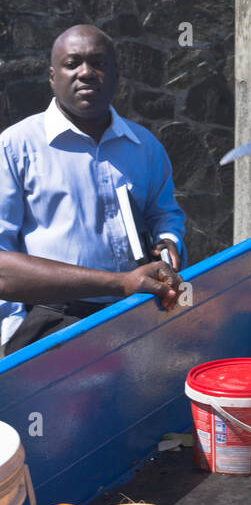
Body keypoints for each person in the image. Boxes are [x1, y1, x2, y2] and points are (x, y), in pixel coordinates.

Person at [0, 25, 184, 355]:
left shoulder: (144, 146)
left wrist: (170, 240)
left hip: (137, 314)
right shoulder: (15, 147)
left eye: (98, 63)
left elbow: (164, 214)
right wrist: (11, 329)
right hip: (52, 321)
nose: (86, 73)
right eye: (73, 63)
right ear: (53, 77)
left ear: (115, 74)